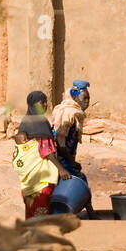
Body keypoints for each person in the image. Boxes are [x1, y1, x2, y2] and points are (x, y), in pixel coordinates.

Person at [11, 90, 68, 218]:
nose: (45, 105)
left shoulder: (26, 120)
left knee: (31, 212)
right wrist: (61, 169)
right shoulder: (40, 122)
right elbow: (46, 150)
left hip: (29, 179)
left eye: (46, 102)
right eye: (42, 102)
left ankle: (30, 236)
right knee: (41, 213)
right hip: (41, 179)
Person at [51, 79, 90, 180]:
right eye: (84, 98)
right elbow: (60, 143)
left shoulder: (74, 113)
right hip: (60, 160)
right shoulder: (69, 113)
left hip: (66, 158)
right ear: (75, 97)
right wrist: (71, 162)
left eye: (88, 98)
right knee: (80, 180)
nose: (87, 101)